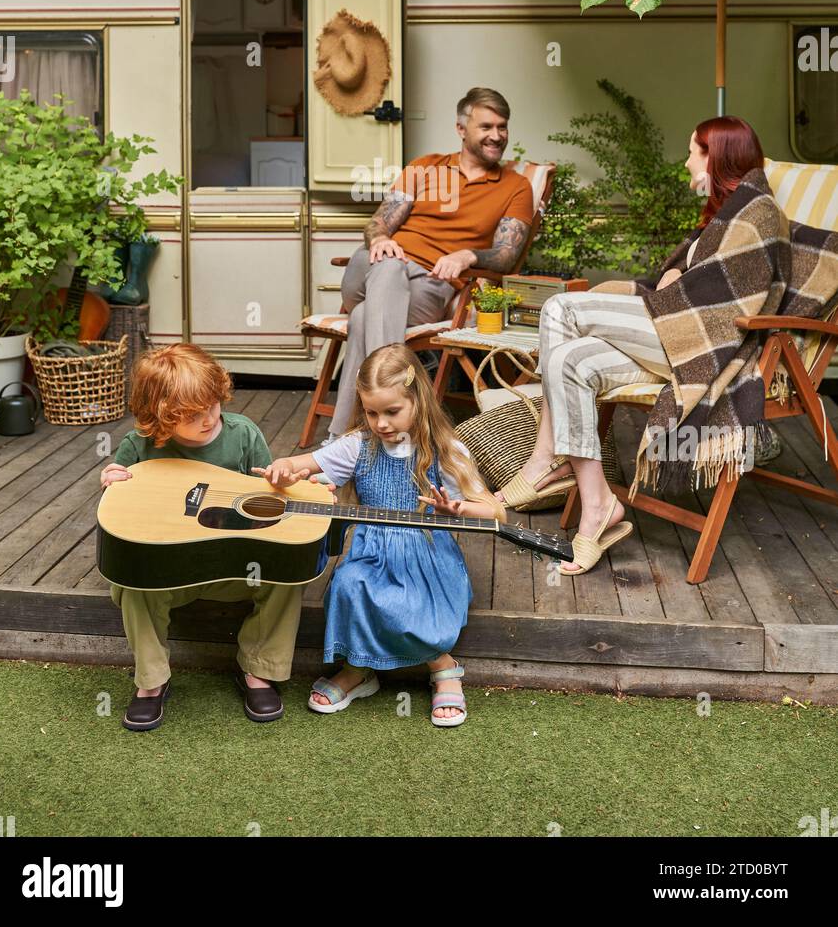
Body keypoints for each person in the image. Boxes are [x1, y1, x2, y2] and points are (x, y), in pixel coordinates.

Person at [495, 117, 792, 575]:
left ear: (718, 156)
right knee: (570, 359)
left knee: (560, 309)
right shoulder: (725, 214)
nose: (687, 161)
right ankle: (599, 506)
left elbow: (737, 292)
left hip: (705, 343)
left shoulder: (759, 211)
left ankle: (544, 457)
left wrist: (680, 284)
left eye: (693, 151)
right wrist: (675, 282)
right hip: (673, 337)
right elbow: (699, 279)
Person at [256, 344, 505, 726]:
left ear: (418, 401)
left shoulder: (445, 450)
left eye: (392, 411)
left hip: (426, 555)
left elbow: (494, 510)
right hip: (371, 552)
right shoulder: (359, 445)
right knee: (348, 586)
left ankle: (443, 665)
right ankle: (359, 670)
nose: (381, 423)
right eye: (372, 412)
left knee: (409, 602)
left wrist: (458, 509)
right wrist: (285, 468)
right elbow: (301, 463)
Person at [101, 343, 325, 731]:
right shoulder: (139, 445)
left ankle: (259, 668)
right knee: (132, 584)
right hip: (169, 574)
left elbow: (267, 498)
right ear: (161, 416)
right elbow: (123, 503)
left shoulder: (242, 436)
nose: (208, 419)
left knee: (286, 576)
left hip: (235, 570)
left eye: (212, 406)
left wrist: (289, 485)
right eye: (192, 416)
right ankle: (151, 682)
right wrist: (113, 480)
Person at [326, 86, 534, 438]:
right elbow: (379, 221)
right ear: (461, 129)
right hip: (371, 270)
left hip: (429, 286)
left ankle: (342, 439)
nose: (496, 136)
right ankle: (390, 405)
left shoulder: (516, 187)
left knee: (363, 318)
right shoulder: (425, 167)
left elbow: (506, 255)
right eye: (486, 127)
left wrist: (469, 254)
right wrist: (379, 239)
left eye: (502, 127)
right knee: (389, 267)